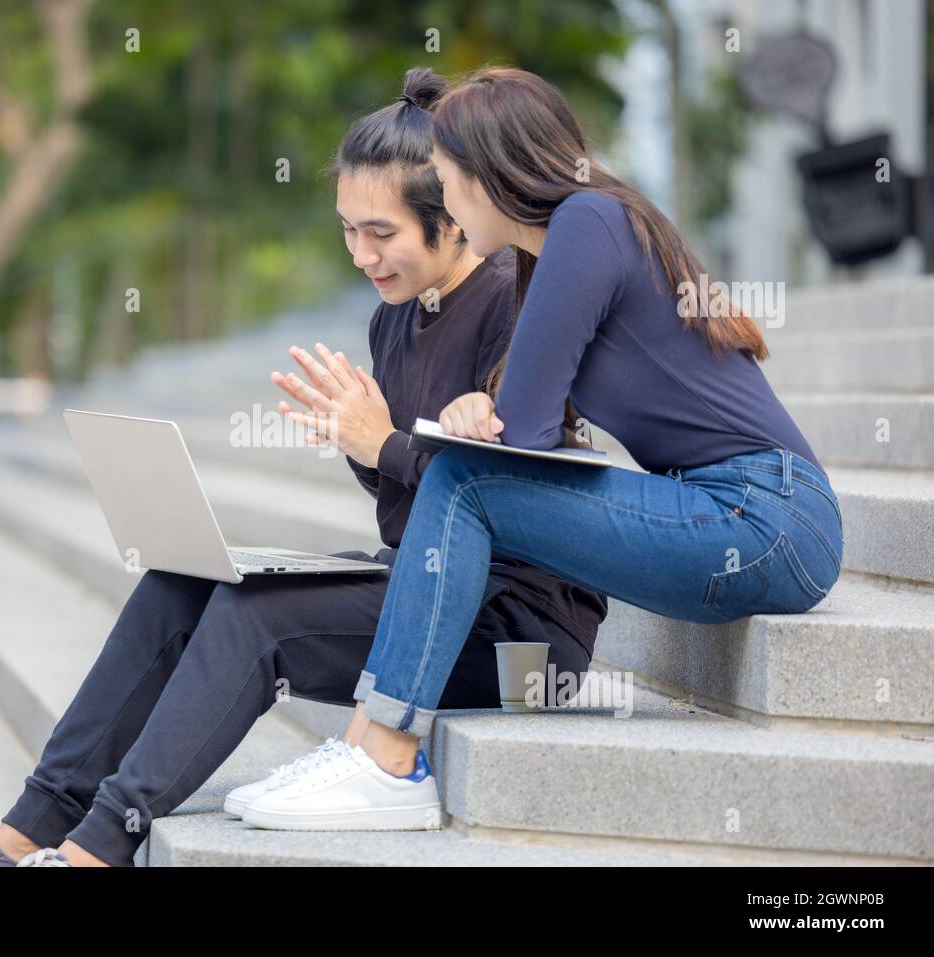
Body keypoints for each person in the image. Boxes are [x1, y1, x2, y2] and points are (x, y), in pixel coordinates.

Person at [0, 67, 606, 866]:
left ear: (453, 219)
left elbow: (511, 502)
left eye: (380, 233)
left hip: (518, 626)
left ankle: (96, 850)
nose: (361, 255)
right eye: (348, 229)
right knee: (182, 581)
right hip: (423, 587)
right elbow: (409, 499)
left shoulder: (514, 304)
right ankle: (23, 831)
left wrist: (381, 442)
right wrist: (367, 445)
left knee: (259, 619)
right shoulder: (395, 320)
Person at [250, 67, 843, 830]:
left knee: (464, 482)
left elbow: (519, 437)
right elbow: (514, 426)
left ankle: (385, 751)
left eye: (448, 180)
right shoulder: (561, 247)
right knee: (467, 474)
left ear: (487, 176)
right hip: (735, 513)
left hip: (766, 518)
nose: (447, 205)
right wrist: (478, 409)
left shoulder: (587, 226)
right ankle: (372, 743)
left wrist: (458, 425)